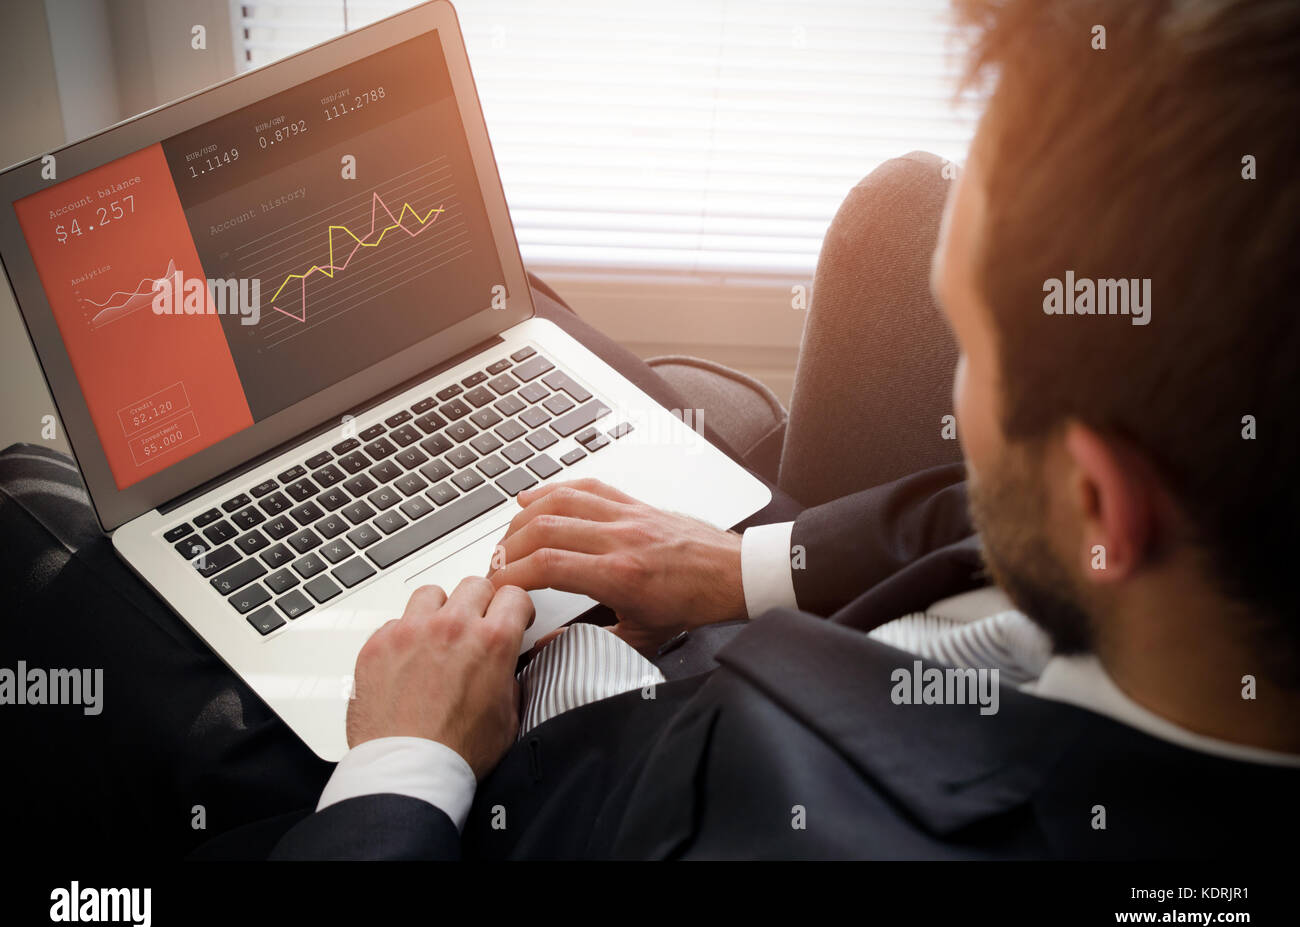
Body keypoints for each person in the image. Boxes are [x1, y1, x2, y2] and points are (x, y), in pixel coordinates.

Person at [3, 0, 1297, 859]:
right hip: (729, 645)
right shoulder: (1201, 525)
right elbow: (1004, 514)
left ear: (1097, 507)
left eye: (971, 355)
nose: (950, 407)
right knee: (503, 321)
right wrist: (739, 566)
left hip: (517, 788)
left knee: (72, 588)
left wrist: (406, 763)